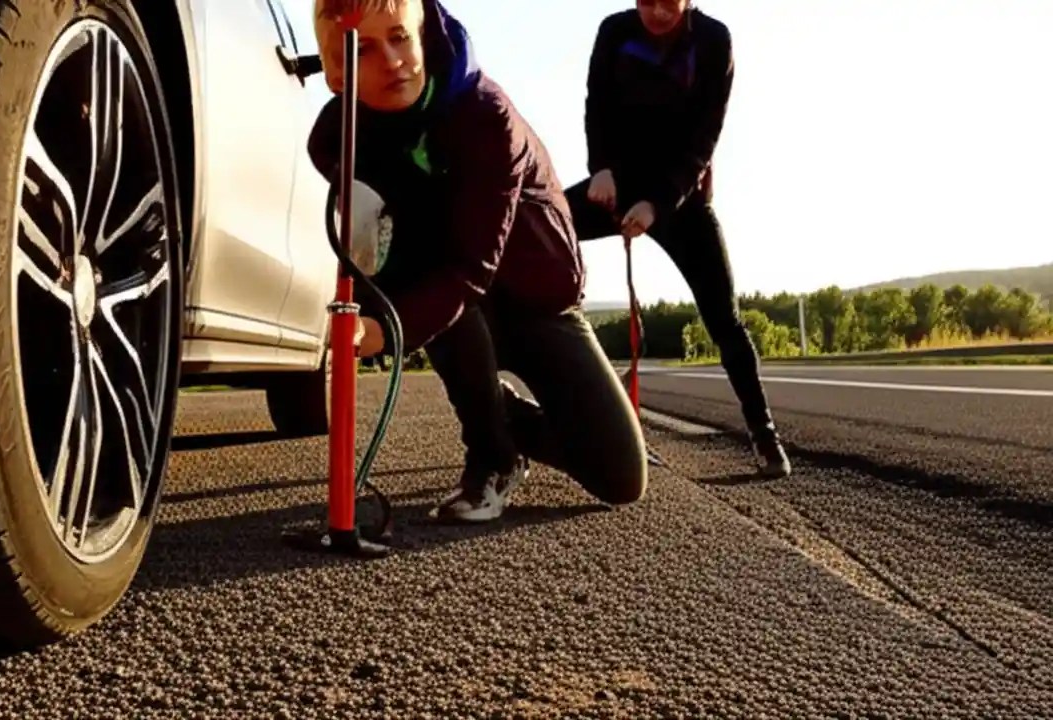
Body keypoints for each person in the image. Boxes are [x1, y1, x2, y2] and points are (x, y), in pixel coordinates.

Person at [308, 0, 650, 522]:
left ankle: (499, 410)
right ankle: (493, 454)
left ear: (423, 33)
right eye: (368, 49)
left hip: (535, 297)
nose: (394, 60)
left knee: (622, 475)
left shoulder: (486, 114)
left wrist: (388, 330)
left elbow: (472, 268)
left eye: (400, 37)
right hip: (451, 304)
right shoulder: (337, 140)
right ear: (337, 73)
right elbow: (372, 245)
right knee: (428, 275)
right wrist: (370, 310)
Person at [563, 0, 791, 478]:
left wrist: (657, 204)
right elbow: (596, 103)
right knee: (537, 232)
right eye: (646, 1)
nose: (657, 11)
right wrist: (599, 167)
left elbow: (704, 137)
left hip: (680, 196)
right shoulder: (614, 31)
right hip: (614, 183)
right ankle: (517, 418)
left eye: (668, 2)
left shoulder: (713, 40)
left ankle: (764, 433)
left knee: (724, 318)